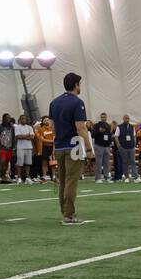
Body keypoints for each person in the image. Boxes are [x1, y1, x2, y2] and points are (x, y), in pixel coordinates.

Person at [50, 72, 91, 225]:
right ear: (76, 85)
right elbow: (80, 128)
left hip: (59, 146)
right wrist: (88, 149)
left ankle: (64, 212)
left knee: (62, 181)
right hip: (74, 146)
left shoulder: (54, 103)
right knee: (71, 181)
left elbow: (52, 127)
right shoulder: (77, 103)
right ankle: (69, 215)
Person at [91, 113, 113, 183]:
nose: (103, 118)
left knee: (106, 163)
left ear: (106, 117)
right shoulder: (97, 125)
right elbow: (92, 135)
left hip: (107, 146)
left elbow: (109, 135)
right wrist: (99, 131)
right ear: (100, 118)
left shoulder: (108, 126)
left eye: (104, 117)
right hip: (99, 146)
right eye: (102, 117)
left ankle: (106, 177)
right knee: (99, 162)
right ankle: (98, 178)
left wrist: (110, 143)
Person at [115, 115, 139, 182]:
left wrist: (134, 143)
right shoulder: (119, 127)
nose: (127, 119)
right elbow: (116, 137)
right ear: (123, 119)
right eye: (125, 118)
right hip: (123, 147)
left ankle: (136, 177)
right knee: (125, 162)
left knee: (133, 161)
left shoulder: (132, 127)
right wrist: (119, 146)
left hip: (131, 147)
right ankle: (126, 177)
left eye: (128, 118)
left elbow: (134, 136)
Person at [13, 113, 35, 184]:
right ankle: (19, 178)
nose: (23, 120)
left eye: (25, 118)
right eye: (22, 118)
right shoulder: (17, 127)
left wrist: (24, 136)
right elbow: (18, 136)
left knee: (28, 163)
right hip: (20, 147)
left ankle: (27, 177)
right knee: (20, 163)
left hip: (28, 147)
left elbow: (32, 137)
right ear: (19, 120)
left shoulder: (29, 127)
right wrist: (27, 135)